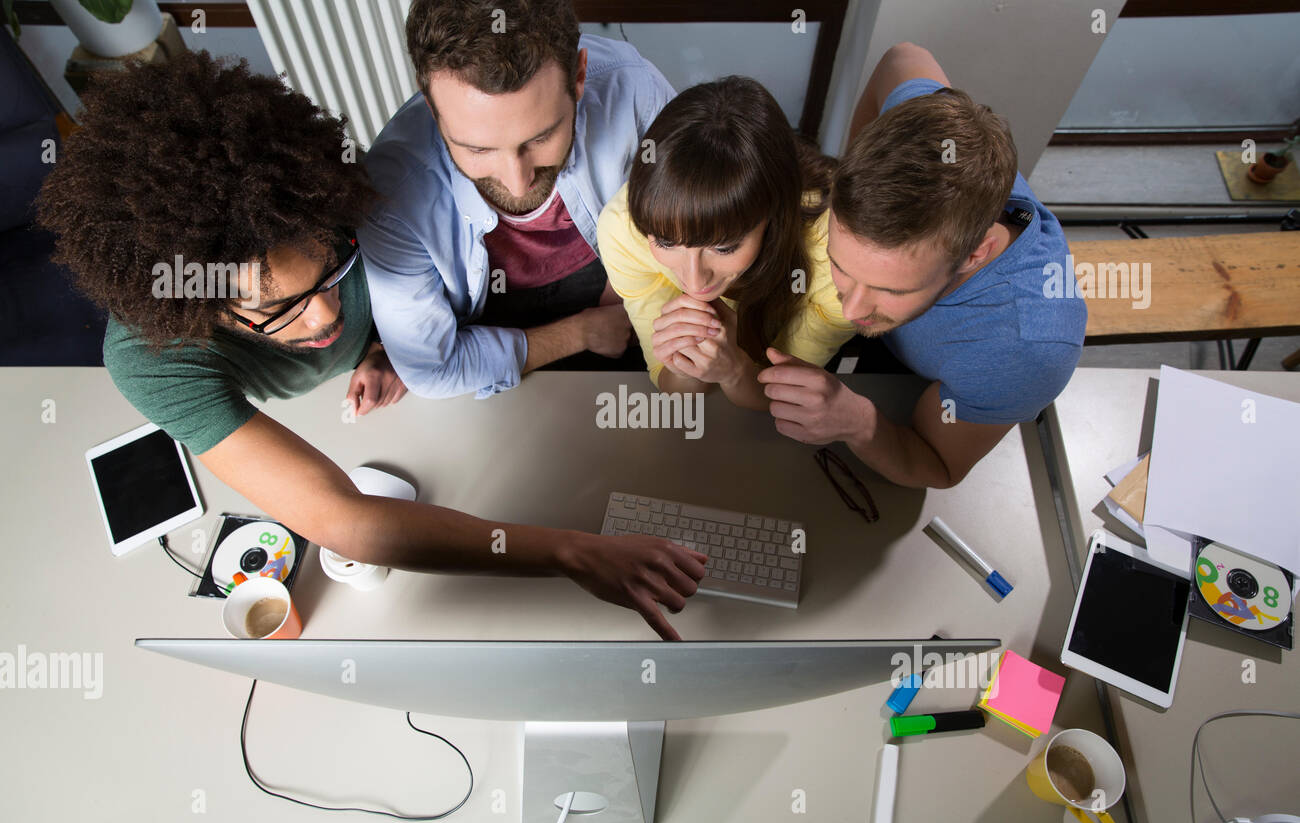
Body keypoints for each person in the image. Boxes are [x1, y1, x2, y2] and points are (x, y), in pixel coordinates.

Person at [37, 51, 705, 640]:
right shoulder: (152, 362)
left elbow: (421, 292)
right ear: (190, 305)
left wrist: (384, 346)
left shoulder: (329, 200)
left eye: (332, 267)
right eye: (278, 310)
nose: (327, 314)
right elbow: (344, 521)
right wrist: (571, 554)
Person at [758, 43, 1087, 489]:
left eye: (891, 290)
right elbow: (902, 57)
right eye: (841, 264)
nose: (850, 310)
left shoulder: (1023, 352)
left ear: (976, 254)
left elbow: (938, 464)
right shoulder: (924, 130)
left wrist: (857, 421)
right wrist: (852, 168)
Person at [359, 0, 676, 398]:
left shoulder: (633, 90)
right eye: (478, 150)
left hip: (634, 304)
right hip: (495, 348)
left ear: (579, 75)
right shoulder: (390, 192)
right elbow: (434, 370)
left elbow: (694, 216)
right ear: (431, 104)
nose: (518, 182)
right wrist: (579, 333)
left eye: (541, 138)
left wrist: (626, 284)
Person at [596, 76, 856, 410]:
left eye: (724, 248)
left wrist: (734, 371)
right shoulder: (623, 228)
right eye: (664, 241)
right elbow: (673, 386)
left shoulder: (837, 254)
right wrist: (690, 364)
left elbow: (787, 396)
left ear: (773, 217)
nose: (693, 280)